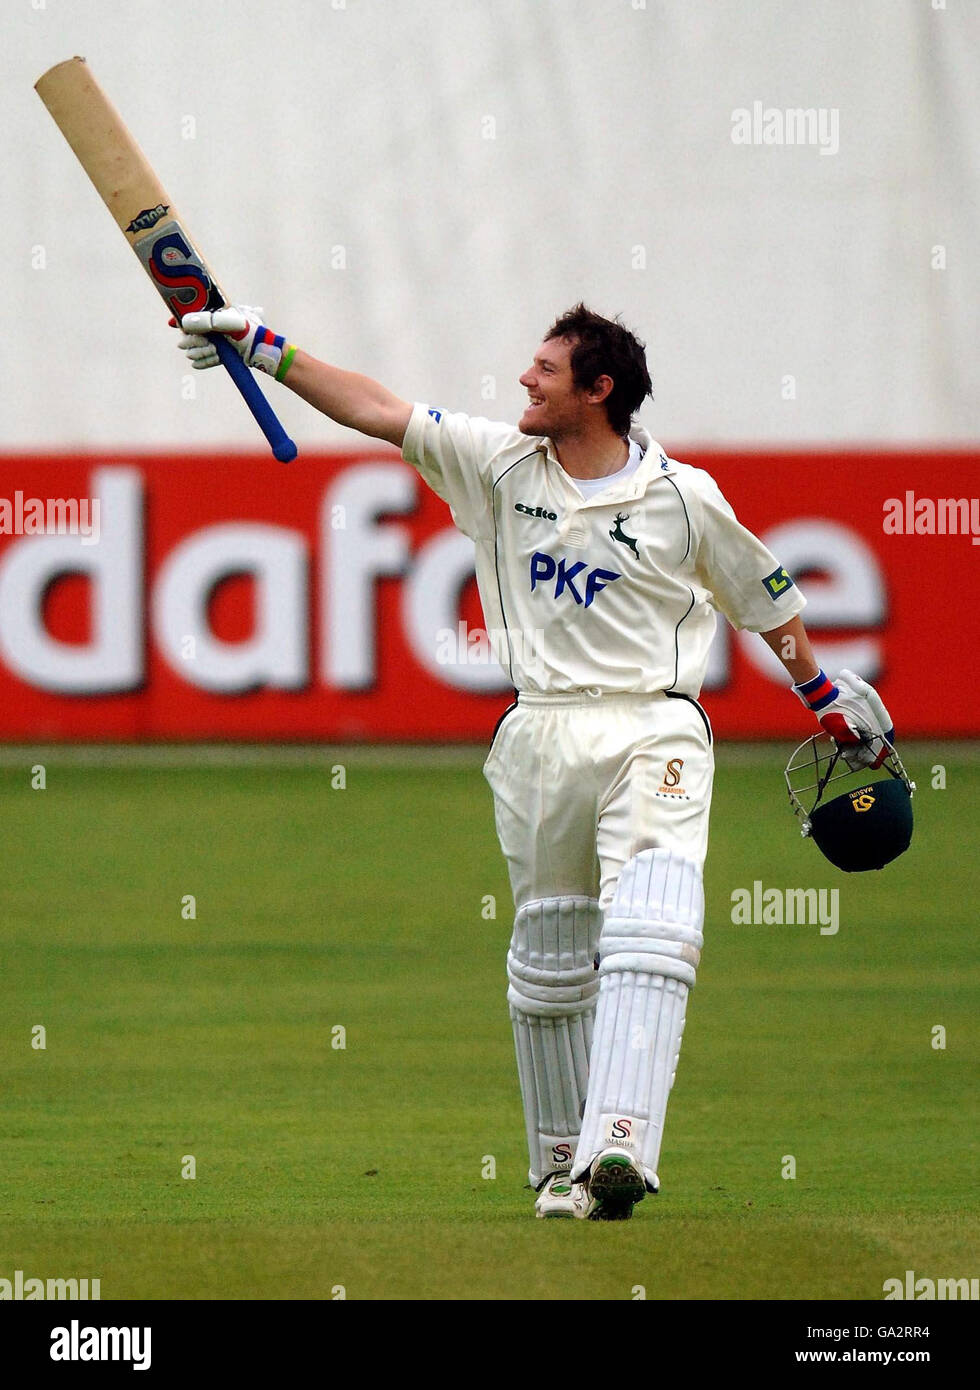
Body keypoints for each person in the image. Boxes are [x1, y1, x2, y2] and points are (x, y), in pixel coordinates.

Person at [175, 302, 894, 1219]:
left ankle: (619, 1142)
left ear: (599, 391)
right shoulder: (499, 463)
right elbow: (375, 409)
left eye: (546, 369)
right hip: (539, 732)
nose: (525, 378)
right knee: (551, 955)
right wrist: (264, 348)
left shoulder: (684, 497)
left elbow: (764, 600)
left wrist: (820, 692)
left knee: (652, 926)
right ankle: (563, 1166)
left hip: (655, 725)